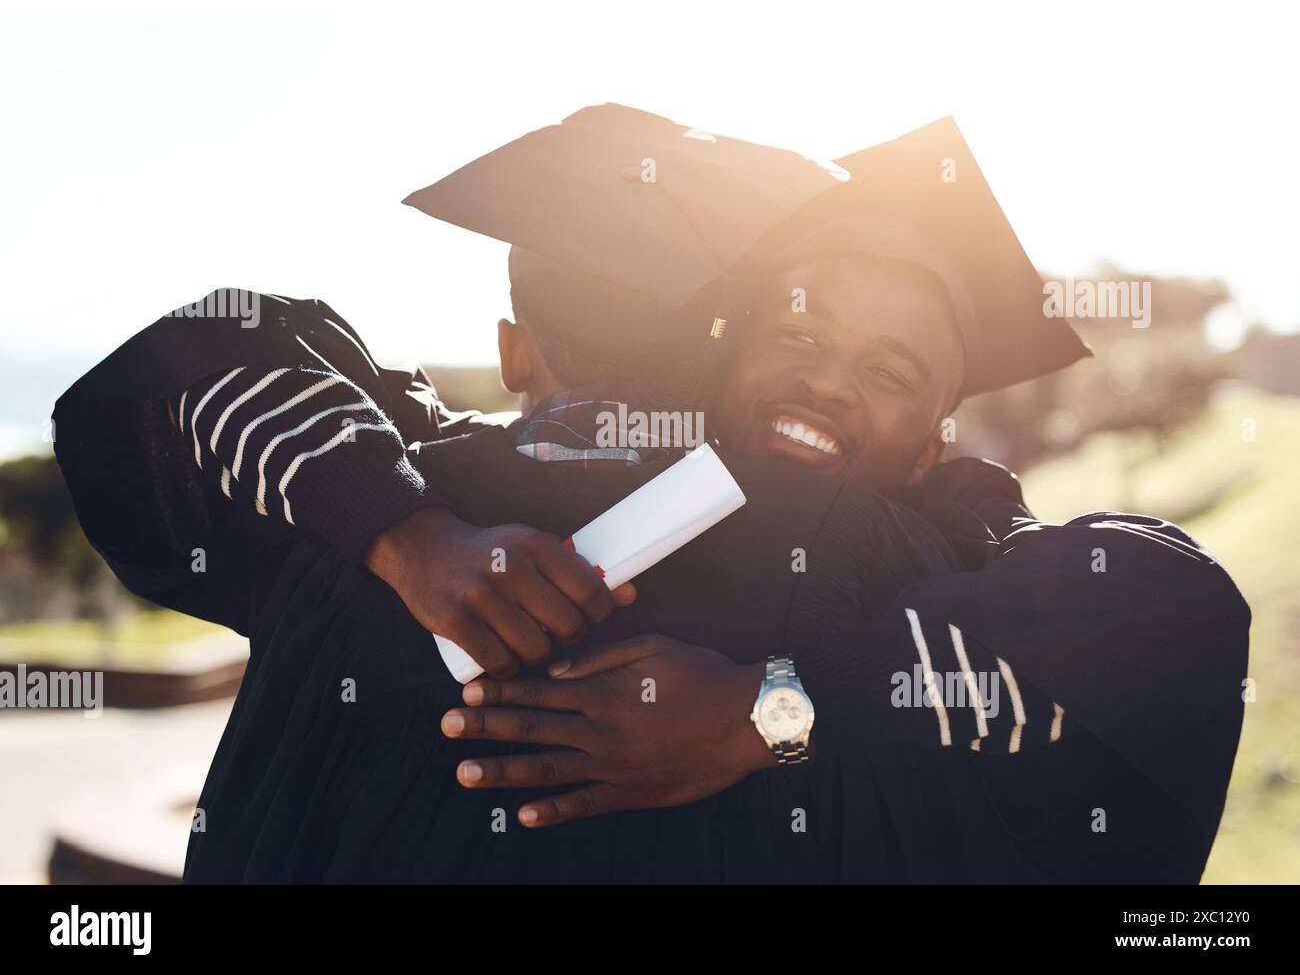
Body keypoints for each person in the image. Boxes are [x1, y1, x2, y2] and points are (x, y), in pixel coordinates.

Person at [53, 107, 1249, 882]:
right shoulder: (924, 569)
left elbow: (1171, 612)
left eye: (888, 369)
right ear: (721, 354)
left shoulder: (947, 552)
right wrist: (411, 530)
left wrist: (762, 711)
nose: (829, 376)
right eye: (800, 330)